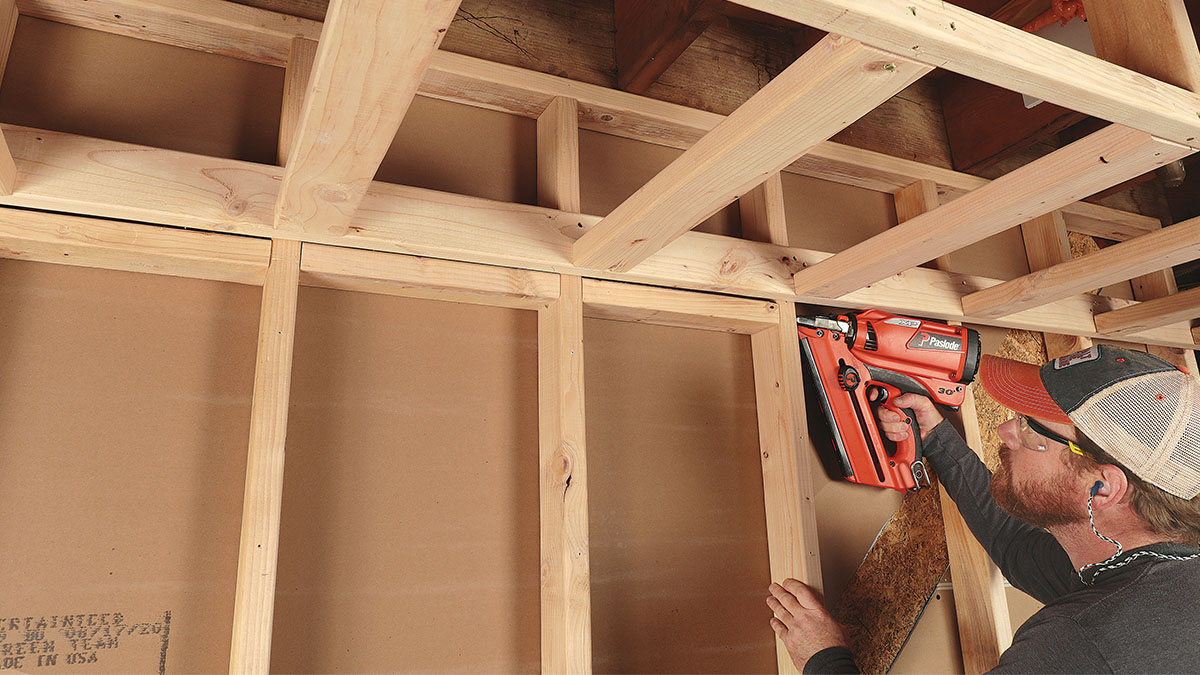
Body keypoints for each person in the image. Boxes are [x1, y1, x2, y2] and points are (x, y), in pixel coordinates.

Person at [766, 344, 1200, 673]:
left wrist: (822, 655)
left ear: (1102, 488)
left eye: (1031, 429)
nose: (1004, 429)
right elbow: (1014, 546)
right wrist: (935, 436)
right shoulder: (1155, 568)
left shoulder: (1082, 640)